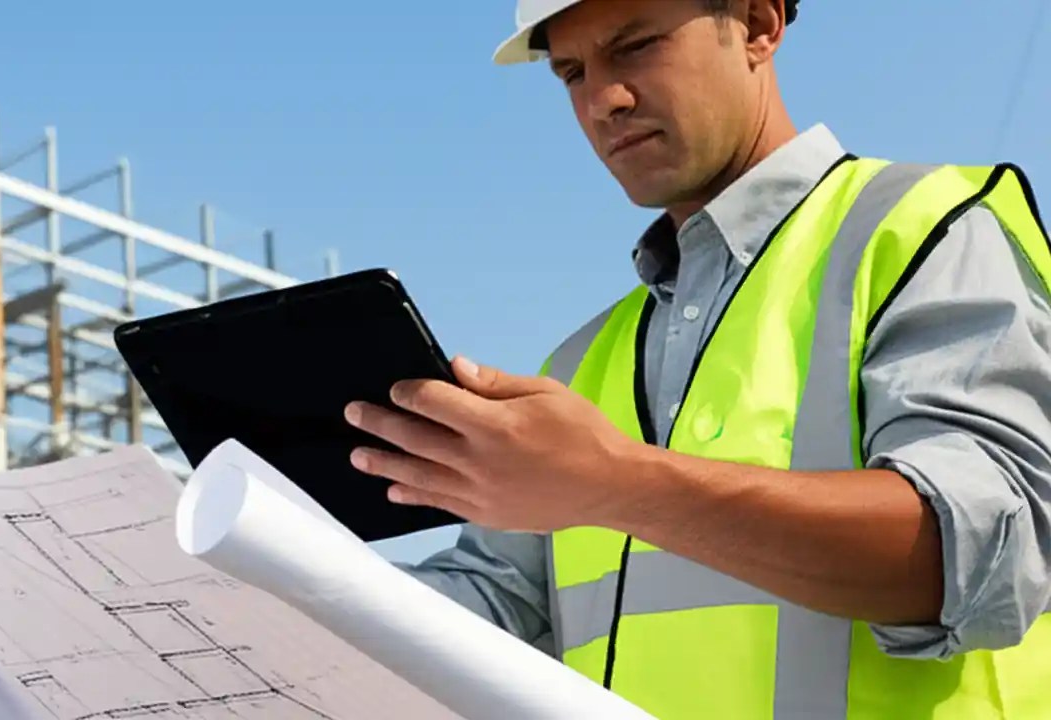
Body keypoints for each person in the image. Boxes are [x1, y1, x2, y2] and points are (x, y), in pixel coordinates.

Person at [339, 0, 1051, 718]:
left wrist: (616, 484)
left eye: (637, 46)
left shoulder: (930, 231)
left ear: (760, 24)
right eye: (571, 72)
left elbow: (978, 559)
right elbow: (496, 607)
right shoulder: (581, 361)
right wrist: (258, 586)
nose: (602, 101)